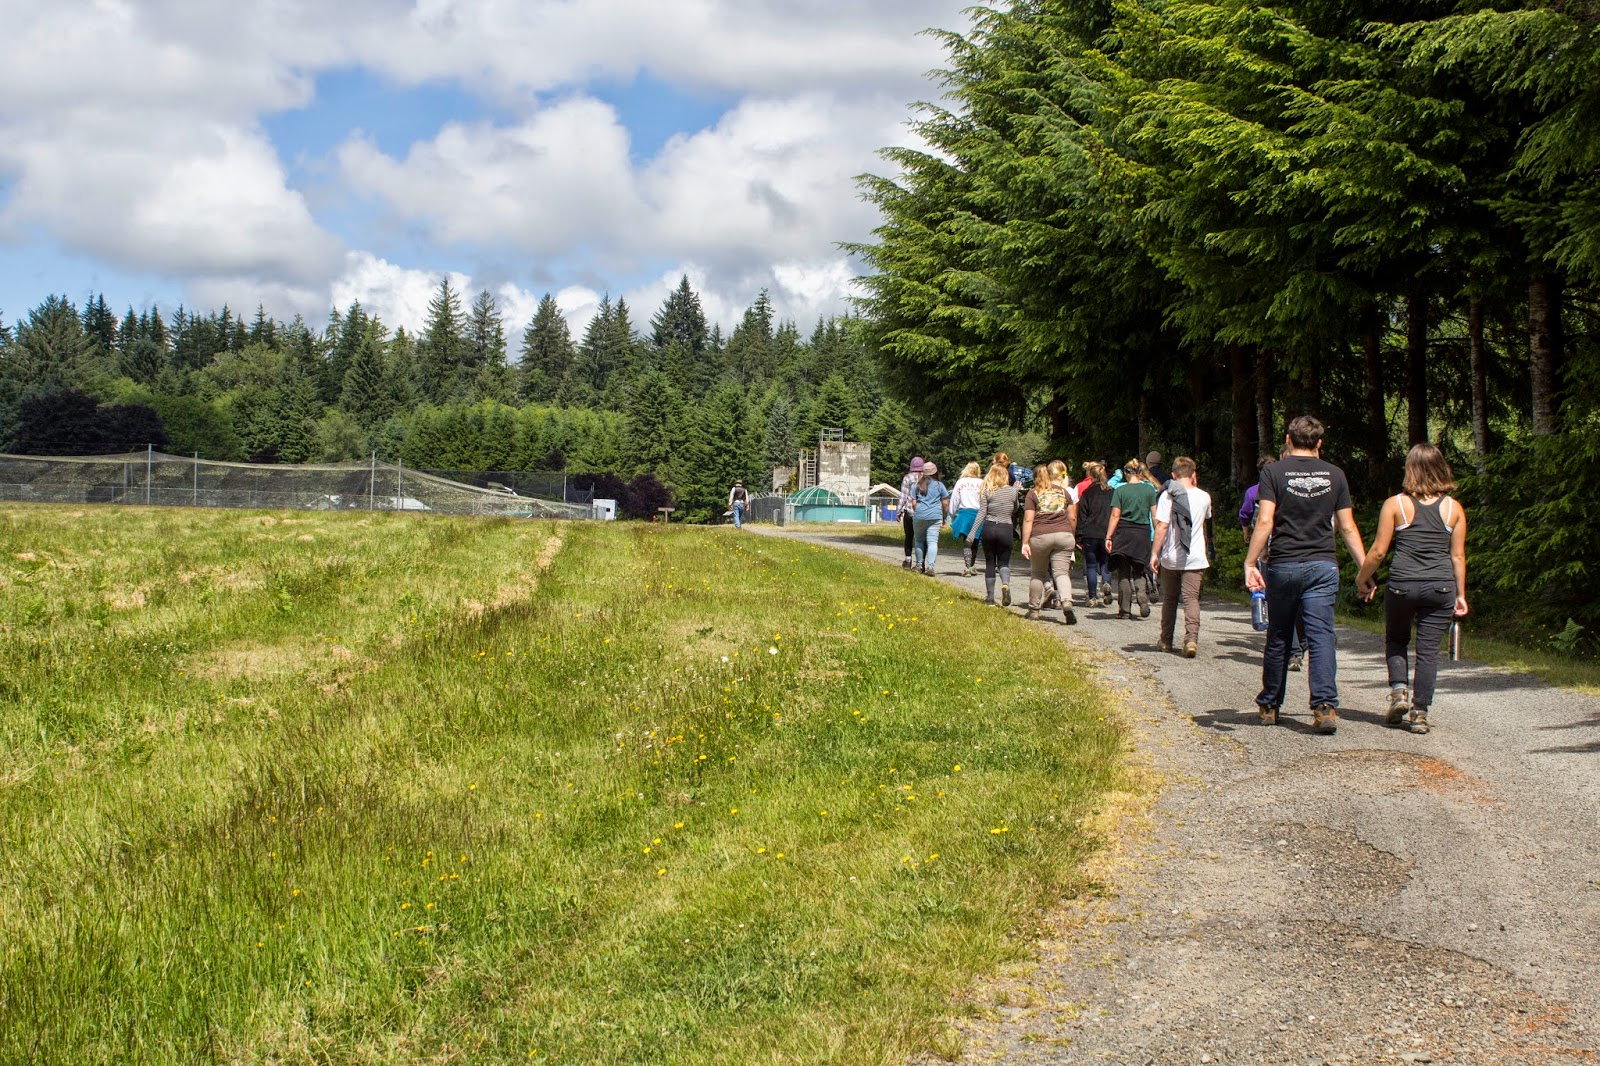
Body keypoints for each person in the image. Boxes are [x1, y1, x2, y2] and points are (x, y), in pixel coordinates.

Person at [1244, 415, 1367, 734]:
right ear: (1319, 443)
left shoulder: (1273, 472)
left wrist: (1251, 562)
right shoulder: (1336, 475)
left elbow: (1265, 521)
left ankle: (1270, 704)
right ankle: (1324, 706)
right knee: (1322, 635)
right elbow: (1347, 527)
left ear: (1288, 439)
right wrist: (1365, 570)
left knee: (1280, 635)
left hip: (1283, 565)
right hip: (1323, 566)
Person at [1355, 443, 1469, 735]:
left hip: (1402, 585)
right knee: (1428, 651)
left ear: (1410, 469)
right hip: (1441, 587)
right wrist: (1460, 595)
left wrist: (1362, 578)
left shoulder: (1396, 505)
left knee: (1396, 640)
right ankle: (1420, 713)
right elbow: (1457, 556)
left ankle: (1398, 693)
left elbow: (1379, 551)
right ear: (1441, 467)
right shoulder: (1453, 508)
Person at [1150, 457, 1213, 657]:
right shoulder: (1204, 497)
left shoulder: (1168, 497)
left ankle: (1166, 640)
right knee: (1191, 599)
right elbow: (1205, 521)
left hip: (1171, 557)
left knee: (1169, 599)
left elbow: (1161, 526)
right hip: (1195, 556)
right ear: (1194, 475)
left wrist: (1154, 553)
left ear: (1173, 476)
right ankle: (1191, 640)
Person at [1021, 462, 1077, 623]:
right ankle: (1066, 601)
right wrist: (1070, 534)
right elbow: (1072, 517)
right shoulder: (1063, 492)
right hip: (1064, 535)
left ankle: (1034, 609)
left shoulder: (1033, 493)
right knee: (1061, 573)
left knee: (1038, 573)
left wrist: (1025, 541)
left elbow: (1028, 519)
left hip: (1040, 536)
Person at [1104, 459, 1158, 619]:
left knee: (1124, 572)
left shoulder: (1120, 490)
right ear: (1140, 473)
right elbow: (1154, 515)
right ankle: (1142, 597)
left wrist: (1108, 536)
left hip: (1123, 533)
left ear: (1126, 473)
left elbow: (1115, 515)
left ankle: (1125, 610)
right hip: (1142, 533)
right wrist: (1158, 537)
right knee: (1139, 570)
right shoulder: (1150, 490)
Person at [969, 461, 1022, 606]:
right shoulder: (1012, 491)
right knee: (1004, 562)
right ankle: (1005, 584)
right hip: (1006, 529)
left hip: (989, 528)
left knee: (990, 563)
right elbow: (1015, 509)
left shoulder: (987, 491)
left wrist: (972, 533)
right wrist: (1016, 492)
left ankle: (990, 598)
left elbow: (981, 513)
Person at [1077, 462, 1113, 606]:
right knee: (1105, 564)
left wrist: (1079, 537)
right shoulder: (1112, 492)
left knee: (1091, 566)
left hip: (1090, 533)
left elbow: (1082, 516)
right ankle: (1106, 583)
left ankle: (1092, 597)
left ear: (1090, 476)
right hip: (1106, 533)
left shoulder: (1087, 493)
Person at [911, 461, 951, 574]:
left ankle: (919, 565)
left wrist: (918, 513)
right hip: (935, 516)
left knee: (919, 540)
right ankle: (930, 567)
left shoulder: (916, 485)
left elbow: (913, 503)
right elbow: (945, 503)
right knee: (932, 542)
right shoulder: (939, 485)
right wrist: (944, 517)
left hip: (919, 515)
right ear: (935, 472)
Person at [949, 462, 985, 576]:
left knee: (966, 541)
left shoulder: (961, 482)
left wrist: (952, 514)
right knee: (975, 541)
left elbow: (954, 499)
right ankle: (971, 565)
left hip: (964, 514)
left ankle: (968, 566)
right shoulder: (982, 483)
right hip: (978, 514)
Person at [898, 457, 924, 569]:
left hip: (909, 512)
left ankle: (908, 560)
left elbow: (903, 496)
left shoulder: (907, 478)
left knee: (909, 537)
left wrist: (898, 511)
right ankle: (921, 562)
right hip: (923, 512)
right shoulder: (926, 478)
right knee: (921, 538)